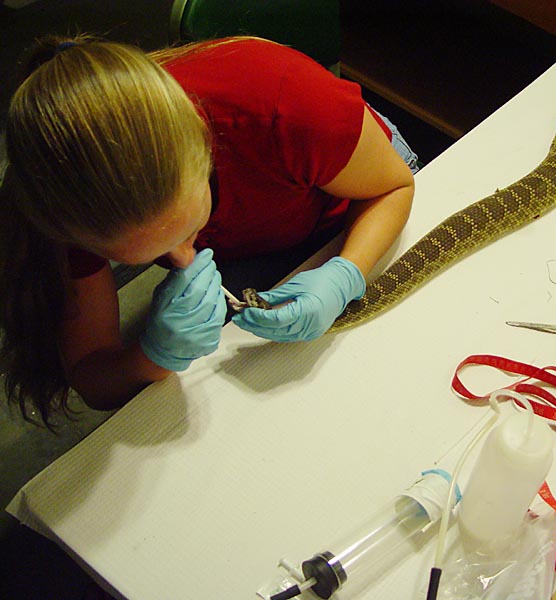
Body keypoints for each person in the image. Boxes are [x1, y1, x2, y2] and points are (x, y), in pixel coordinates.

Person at [0, 34, 417, 426]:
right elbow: (93, 379)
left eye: (189, 230)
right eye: (154, 253)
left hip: (362, 193)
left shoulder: (284, 100)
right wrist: (151, 357)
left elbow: (393, 187)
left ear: (206, 147)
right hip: (253, 238)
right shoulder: (71, 204)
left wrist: (346, 273)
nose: (186, 260)